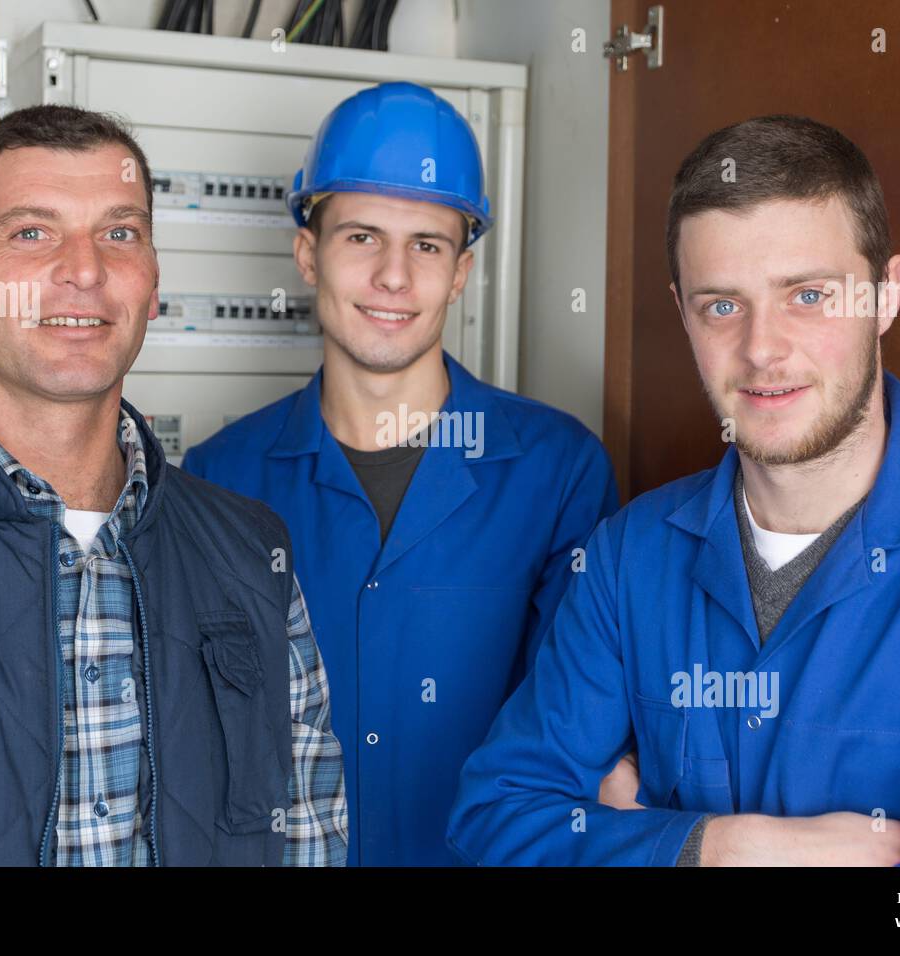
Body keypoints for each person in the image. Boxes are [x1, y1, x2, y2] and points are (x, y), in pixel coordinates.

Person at [448, 114, 900, 866]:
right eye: (722, 305)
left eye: (807, 296)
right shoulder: (626, 558)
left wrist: (625, 835)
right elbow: (495, 822)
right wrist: (723, 848)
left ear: (888, 297)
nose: (761, 347)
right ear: (684, 314)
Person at [0, 105, 346, 866]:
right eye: (32, 232)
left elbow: (311, 840)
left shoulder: (255, 554)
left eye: (119, 232)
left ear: (151, 285)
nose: (85, 269)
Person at [183, 82, 619, 865]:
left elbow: (572, 740)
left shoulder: (559, 472)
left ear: (460, 272)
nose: (393, 276)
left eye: (426, 244)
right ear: (307, 254)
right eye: (361, 238)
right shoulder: (220, 478)